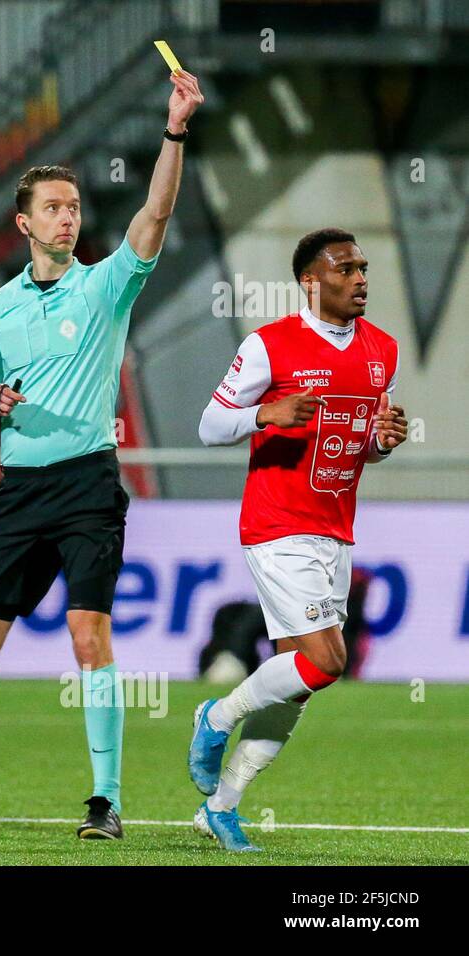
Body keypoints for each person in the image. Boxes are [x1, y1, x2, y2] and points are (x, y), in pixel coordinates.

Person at [0, 69, 205, 839]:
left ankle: (106, 801)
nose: (68, 217)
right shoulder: (1, 306)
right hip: (20, 490)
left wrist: (175, 130)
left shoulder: (105, 288)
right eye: (53, 208)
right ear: (23, 224)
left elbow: (155, 212)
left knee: (88, 633)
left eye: (74, 206)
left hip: (89, 483)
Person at [188, 228, 405, 851]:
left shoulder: (381, 351)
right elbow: (208, 426)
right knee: (327, 660)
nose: (361, 278)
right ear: (312, 281)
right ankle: (215, 716)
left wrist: (381, 444)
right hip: (277, 523)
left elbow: (361, 444)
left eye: (363, 267)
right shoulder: (270, 345)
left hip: (336, 527)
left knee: (301, 680)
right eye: (346, 269)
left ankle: (222, 807)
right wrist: (264, 414)